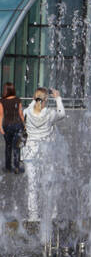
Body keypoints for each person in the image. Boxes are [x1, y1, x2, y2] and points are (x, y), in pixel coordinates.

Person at [21, 88, 66, 222]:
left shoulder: (27, 112)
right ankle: (52, 214)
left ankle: (33, 216)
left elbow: (29, 108)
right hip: (46, 153)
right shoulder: (50, 114)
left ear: (34, 99)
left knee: (32, 186)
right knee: (48, 184)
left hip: (30, 153)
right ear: (46, 100)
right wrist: (57, 98)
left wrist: (34, 100)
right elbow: (62, 114)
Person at [1, 82, 25, 174]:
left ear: (5, 90)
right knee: (17, 147)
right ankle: (16, 167)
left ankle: (8, 167)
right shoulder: (18, 100)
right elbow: (21, 114)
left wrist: (0, 127)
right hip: (18, 125)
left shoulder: (2, 101)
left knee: (8, 146)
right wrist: (25, 124)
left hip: (7, 126)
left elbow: (1, 115)